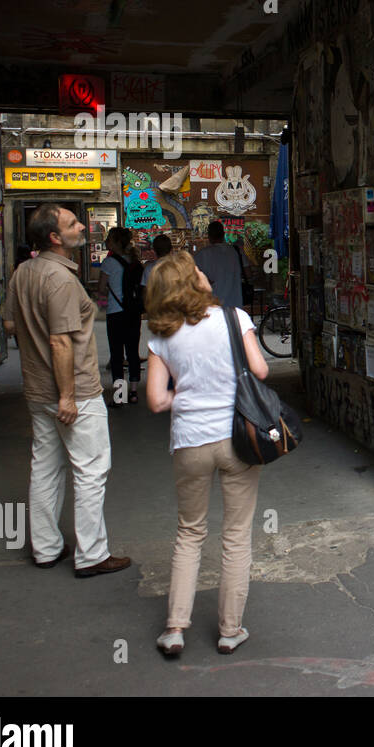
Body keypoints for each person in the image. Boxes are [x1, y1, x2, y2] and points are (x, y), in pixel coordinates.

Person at [145, 249, 269, 656]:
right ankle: (230, 630)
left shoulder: (162, 336)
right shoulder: (235, 318)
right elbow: (262, 371)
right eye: (197, 270)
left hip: (190, 442)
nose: (204, 273)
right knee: (235, 535)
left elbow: (155, 401)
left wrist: (185, 391)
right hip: (237, 439)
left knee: (189, 532)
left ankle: (175, 628)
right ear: (192, 283)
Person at [1, 204, 131, 577]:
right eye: (73, 224)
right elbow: (61, 343)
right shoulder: (59, 280)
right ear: (55, 238)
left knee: (45, 468)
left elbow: (11, 324)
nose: (81, 226)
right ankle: (91, 554)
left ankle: (45, 548)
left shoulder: (23, 272)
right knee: (91, 470)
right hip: (73, 391)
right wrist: (68, 396)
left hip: (38, 389)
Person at [97, 227, 143, 404]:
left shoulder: (109, 263)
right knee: (133, 352)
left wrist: (103, 301)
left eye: (109, 239)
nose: (106, 241)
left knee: (117, 355)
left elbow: (101, 288)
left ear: (116, 242)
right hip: (133, 313)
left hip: (115, 313)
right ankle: (133, 392)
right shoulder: (134, 261)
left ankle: (120, 396)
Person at [194, 221, 247, 311]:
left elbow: (193, 278)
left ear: (209, 236)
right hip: (235, 306)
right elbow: (248, 273)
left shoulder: (202, 255)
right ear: (223, 234)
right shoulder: (236, 252)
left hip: (212, 307)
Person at [140, 233, 172, 304]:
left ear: (154, 250)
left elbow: (146, 293)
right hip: (174, 309)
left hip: (155, 309)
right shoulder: (178, 267)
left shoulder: (149, 268)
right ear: (171, 249)